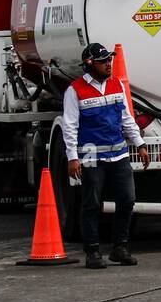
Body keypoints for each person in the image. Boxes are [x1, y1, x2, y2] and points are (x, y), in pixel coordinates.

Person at [64, 43, 150, 269]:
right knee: (91, 204)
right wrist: (72, 157)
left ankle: (120, 248)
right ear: (90, 64)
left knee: (127, 199)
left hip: (119, 154)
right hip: (91, 156)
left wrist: (139, 144)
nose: (108, 64)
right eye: (103, 61)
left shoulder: (116, 84)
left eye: (109, 60)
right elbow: (70, 126)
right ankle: (92, 251)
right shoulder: (75, 91)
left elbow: (126, 118)